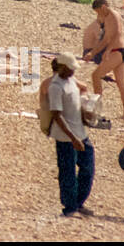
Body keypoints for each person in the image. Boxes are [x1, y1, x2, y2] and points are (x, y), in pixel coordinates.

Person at [46, 52, 94, 217]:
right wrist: (73, 138)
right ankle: (70, 207)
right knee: (67, 172)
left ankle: (78, 202)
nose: (73, 71)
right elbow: (56, 115)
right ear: (62, 68)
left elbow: (77, 100)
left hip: (80, 132)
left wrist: (86, 114)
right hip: (66, 137)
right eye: (70, 68)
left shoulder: (71, 80)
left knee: (88, 168)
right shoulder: (56, 86)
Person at [85, 0, 124, 120]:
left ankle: (98, 109)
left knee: (96, 76)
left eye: (99, 11)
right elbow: (106, 39)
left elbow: (117, 34)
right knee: (121, 84)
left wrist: (107, 51)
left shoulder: (113, 15)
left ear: (104, 6)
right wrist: (93, 52)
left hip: (118, 51)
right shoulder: (106, 18)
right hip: (119, 51)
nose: (98, 14)